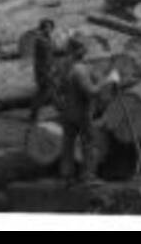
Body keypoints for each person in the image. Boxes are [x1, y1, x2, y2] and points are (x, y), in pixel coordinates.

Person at [52, 34, 121, 184]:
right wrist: (108, 80)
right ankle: (88, 176)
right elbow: (92, 91)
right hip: (81, 113)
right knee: (88, 143)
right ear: (78, 51)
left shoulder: (66, 68)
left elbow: (59, 90)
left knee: (68, 145)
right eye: (83, 48)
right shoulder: (80, 70)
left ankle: (66, 175)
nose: (86, 50)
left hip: (67, 112)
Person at [26, 19, 58, 122]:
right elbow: (46, 56)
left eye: (50, 27)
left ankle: (35, 113)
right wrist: (47, 71)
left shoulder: (48, 39)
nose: (48, 29)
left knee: (48, 91)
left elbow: (52, 53)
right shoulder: (41, 40)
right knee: (43, 92)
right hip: (42, 70)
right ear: (42, 28)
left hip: (48, 68)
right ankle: (33, 114)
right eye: (46, 27)